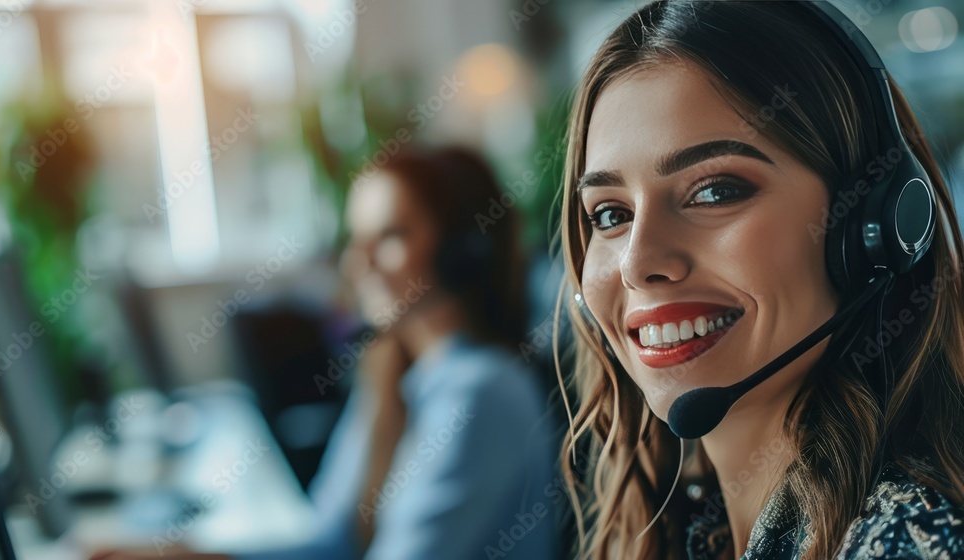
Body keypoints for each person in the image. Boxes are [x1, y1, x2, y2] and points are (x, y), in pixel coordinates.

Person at [556, 1, 964, 559]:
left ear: (874, 226)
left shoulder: (907, 543)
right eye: (610, 214)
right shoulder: (690, 527)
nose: (636, 262)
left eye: (715, 191)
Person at [90, 148, 558, 560]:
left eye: (390, 236)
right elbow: (330, 545)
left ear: (462, 250)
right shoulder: (393, 375)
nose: (359, 262)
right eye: (357, 239)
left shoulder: (484, 393)